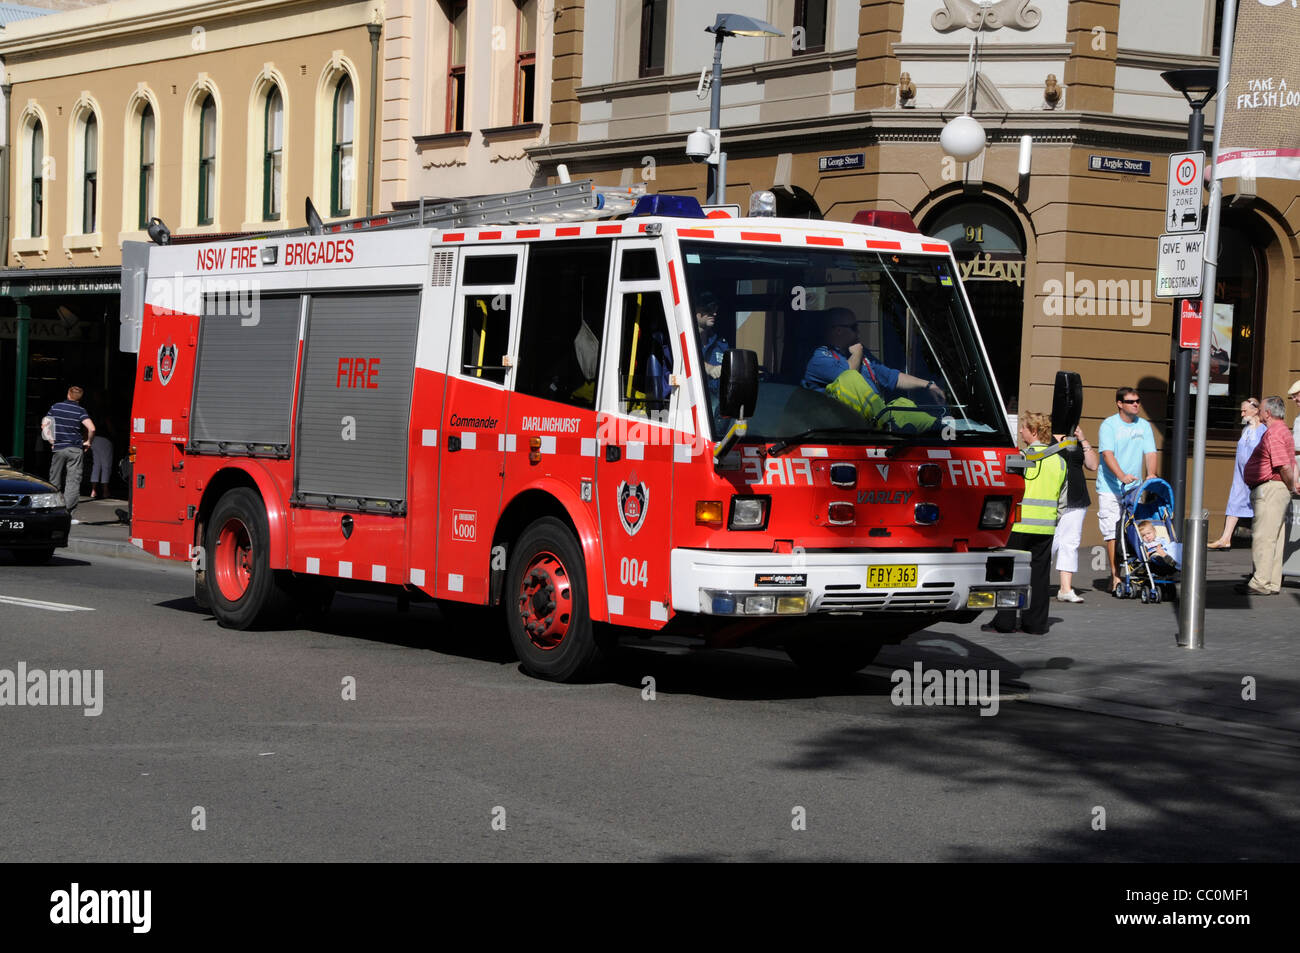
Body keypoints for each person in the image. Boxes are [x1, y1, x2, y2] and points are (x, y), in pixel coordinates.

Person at [983, 411, 1066, 635]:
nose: (1020, 431)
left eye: (1024, 428)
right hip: (1045, 528)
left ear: (1035, 431)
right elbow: (1063, 500)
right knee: (1039, 577)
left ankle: (1005, 622)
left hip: (1017, 526)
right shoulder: (1059, 462)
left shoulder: (1020, 459)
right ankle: (1036, 624)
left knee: (1009, 575)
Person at [802, 307, 945, 420]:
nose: (859, 331)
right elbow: (847, 376)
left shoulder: (861, 354)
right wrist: (857, 352)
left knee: (906, 407)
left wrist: (928, 385)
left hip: (874, 423)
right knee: (851, 379)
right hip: (844, 424)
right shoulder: (819, 357)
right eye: (854, 327)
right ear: (838, 330)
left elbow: (891, 377)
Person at [1096, 386, 1158, 594]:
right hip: (1110, 487)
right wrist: (1121, 476)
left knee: (1133, 530)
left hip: (1134, 488)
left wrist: (1151, 474)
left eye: (1138, 401)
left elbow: (1150, 452)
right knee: (1112, 533)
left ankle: (1136, 572)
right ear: (1120, 404)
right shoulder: (1109, 425)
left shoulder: (1144, 426)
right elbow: (1107, 455)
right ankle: (1116, 576)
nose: (1136, 404)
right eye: (1131, 401)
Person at [1236, 395, 1297, 595]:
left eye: (1261, 409)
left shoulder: (1274, 433)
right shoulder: (1283, 431)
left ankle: (1260, 582)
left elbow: (1284, 465)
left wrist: (1290, 485)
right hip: (1277, 489)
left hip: (1271, 488)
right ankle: (1270, 581)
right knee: (1275, 539)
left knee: (1264, 537)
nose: (1259, 412)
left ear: (1268, 413)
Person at [1208, 398, 1265, 549]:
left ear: (1255, 410)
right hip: (1240, 475)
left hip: (1255, 475)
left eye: (1245, 411)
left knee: (1259, 507)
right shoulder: (1246, 429)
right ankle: (1225, 538)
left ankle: (1261, 541)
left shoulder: (1263, 431)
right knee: (1234, 501)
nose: (1242, 414)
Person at [1051, 424, 1098, 602]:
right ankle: (1037, 584)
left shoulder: (1077, 440)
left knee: (1070, 543)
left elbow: (1092, 465)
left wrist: (1083, 438)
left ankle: (1065, 588)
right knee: (1051, 543)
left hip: (1077, 498)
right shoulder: (1048, 439)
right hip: (1054, 499)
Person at [46, 385, 95, 522]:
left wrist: (51, 441)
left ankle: (52, 510)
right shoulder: (80, 410)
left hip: (59, 447)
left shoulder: (56, 407)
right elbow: (92, 428)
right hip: (75, 448)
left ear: (68, 394)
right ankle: (66, 515)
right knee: (73, 481)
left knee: (54, 479)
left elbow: (45, 424)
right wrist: (88, 442)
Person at [694, 292, 729, 393]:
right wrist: (709, 368)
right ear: (695, 310)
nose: (714, 313)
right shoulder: (681, 341)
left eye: (715, 309)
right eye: (709, 309)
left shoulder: (721, 344)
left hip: (714, 404)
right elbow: (683, 361)